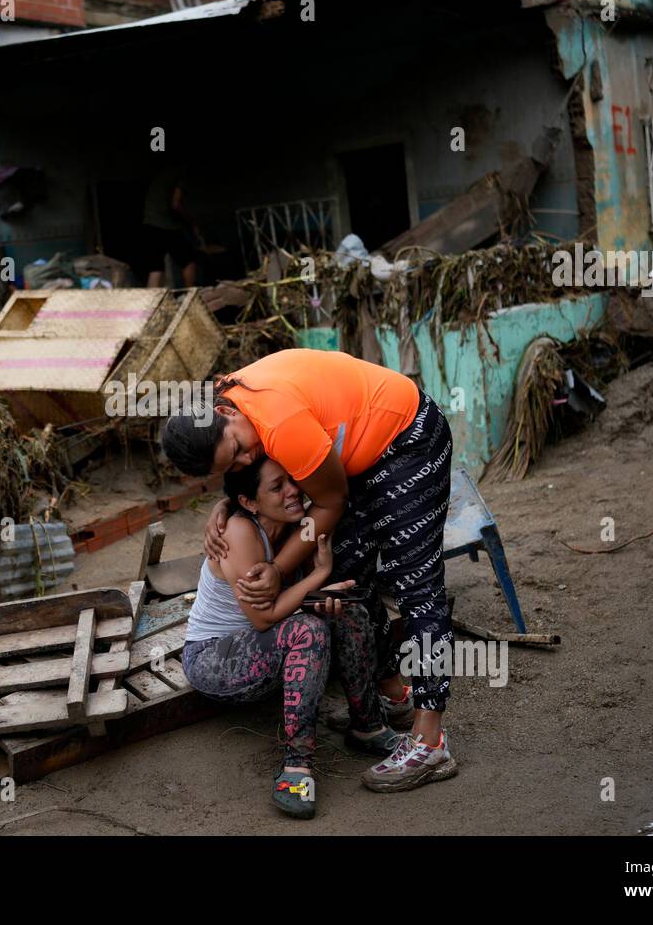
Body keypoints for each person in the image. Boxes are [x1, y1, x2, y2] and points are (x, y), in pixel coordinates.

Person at [162, 348, 458, 794]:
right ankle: (392, 697)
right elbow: (258, 478)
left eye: (240, 450)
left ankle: (430, 738)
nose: (246, 460)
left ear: (223, 411)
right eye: (233, 466)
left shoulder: (278, 425)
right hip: (364, 452)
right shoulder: (234, 411)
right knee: (349, 574)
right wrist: (228, 501)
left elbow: (331, 501)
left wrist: (277, 569)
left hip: (406, 437)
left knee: (416, 583)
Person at [182, 456, 400, 818]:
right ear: (249, 503)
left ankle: (368, 726)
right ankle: (296, 770)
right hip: (214, 658)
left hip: (261, 641)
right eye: (276, 486)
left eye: (290, 480)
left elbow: (281, 607)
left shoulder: (293, 524)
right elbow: (264, 617)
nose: (292, 491)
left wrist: (321, 597)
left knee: (349, 611)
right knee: (308, 630)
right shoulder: (239, 532)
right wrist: (319, 576)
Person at [140, 164, 200, 287]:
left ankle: (151, 304)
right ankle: (191, 297)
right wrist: (192, 223)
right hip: (165, 226)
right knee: (189, 261)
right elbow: (176, 204)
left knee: (155, 269)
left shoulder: (160, 175)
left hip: (149, 224)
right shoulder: (178, 175)